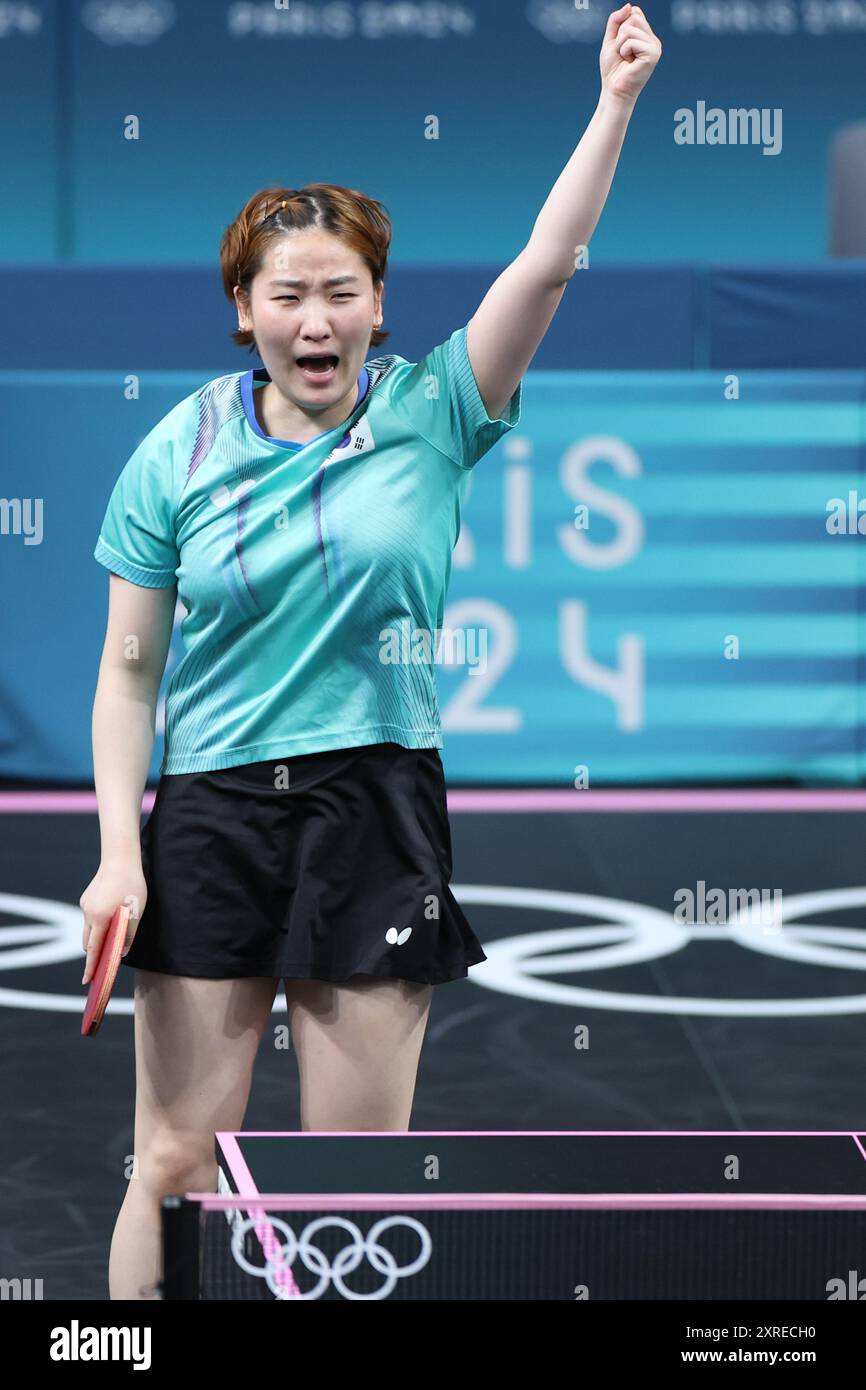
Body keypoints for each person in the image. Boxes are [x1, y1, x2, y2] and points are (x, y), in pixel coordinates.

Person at [79, 3, 662, 1302]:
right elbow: (128, 674)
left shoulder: (437, 408)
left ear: (376, 302)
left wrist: (614, 101)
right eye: (287, 293)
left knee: (351, 1181)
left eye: (341, 290)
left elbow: (551, 258)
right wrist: (120, 854)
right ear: (244, 308)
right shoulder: (174, 451)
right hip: (214, 812)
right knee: (171, 1155)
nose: (316, 317)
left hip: (374, 804)